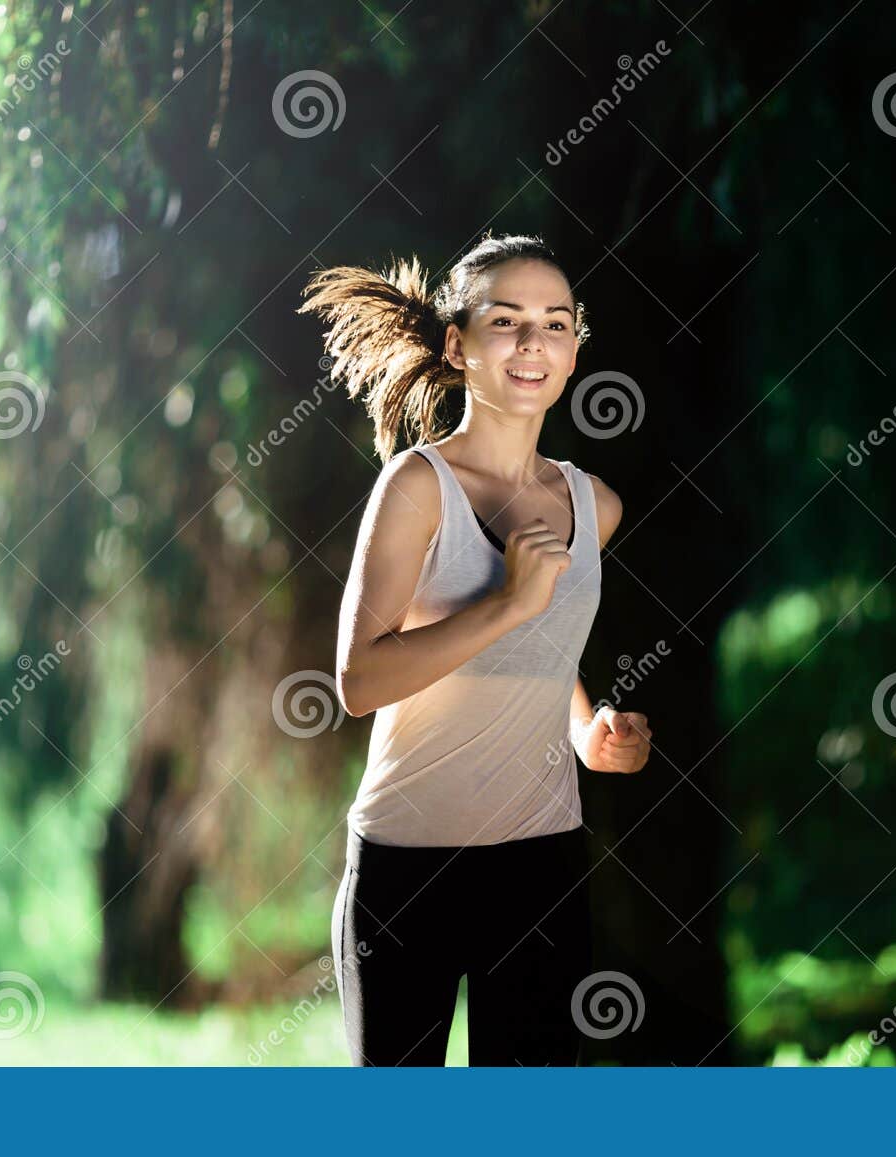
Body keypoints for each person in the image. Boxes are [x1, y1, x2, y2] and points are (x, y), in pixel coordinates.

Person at [299, 233, 653, 1066]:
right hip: (405, 869)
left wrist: (588, 730)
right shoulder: (418, 487)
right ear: (458, 347)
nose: (533, 341)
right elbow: (359, 679)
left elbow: (543, 649)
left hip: (542, 866)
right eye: (506, 320)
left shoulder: (594, 506)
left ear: (574, 353)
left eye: (555, 323)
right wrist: (505, 604)